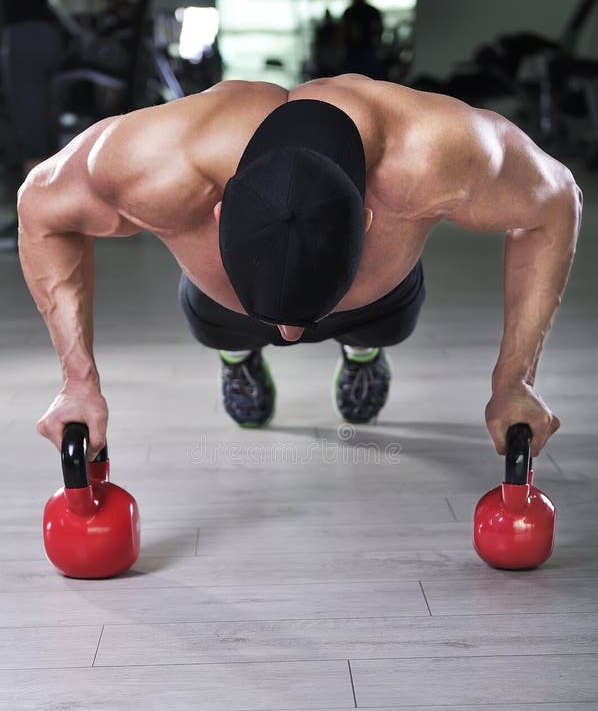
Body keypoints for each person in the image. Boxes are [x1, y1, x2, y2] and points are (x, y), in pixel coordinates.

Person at [16, 76, 581, 461]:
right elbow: (38, 210)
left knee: (384, 324)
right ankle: (238, 356)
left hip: (378, 300)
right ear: (219, 211)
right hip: (223, 308)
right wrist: (77, 384)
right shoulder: (149, 164)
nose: (291, 335)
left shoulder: (438, 153)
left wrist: (515, 382)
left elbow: (556, 202)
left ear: (366, 220)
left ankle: (362, 351)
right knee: (218, 324)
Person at [0, 0, 64, 251]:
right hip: (47, 31)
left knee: (32, 130)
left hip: (24, 34)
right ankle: (48, 219)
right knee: (43, 127)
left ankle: (32, 223)